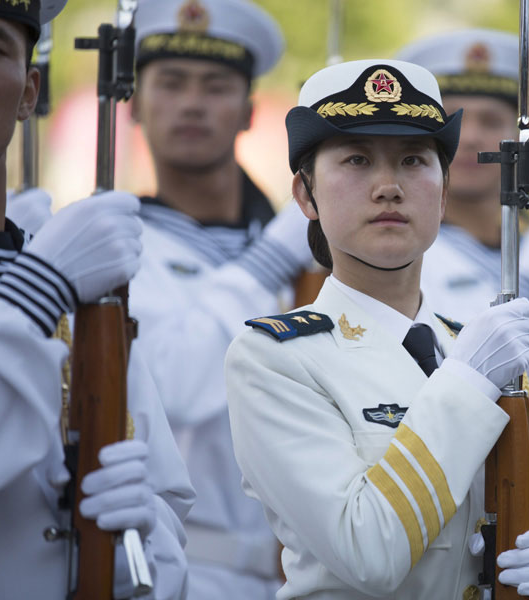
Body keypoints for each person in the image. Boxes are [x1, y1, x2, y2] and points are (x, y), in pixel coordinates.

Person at [224, 58, 529, 599]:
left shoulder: (467, 348)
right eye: (357, 160)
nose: (388, 186)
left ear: (444, 192)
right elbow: (368, 553)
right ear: (306, 195)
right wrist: (468, 384)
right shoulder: (273, 360)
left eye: (412, 160)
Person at [0, 1, 194, 598]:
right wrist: (37, 289)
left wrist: (139, 542)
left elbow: (170, 514)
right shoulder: (52, 280)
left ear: (28, 94)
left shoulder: (77, 293)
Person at [128, 0, 313, 596]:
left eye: (216, 86)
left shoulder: (305, 250)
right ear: (134, 104)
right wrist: (270, 262)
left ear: (247, 111)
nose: (192, 103)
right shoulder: (115, 246)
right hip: (185, 572)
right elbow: (175, 385)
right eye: (171, 83)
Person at [396, 29, 529, 404]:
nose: (470, 137)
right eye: (455, 120)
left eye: (490, 120)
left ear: (519, 138)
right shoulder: (402, 250)